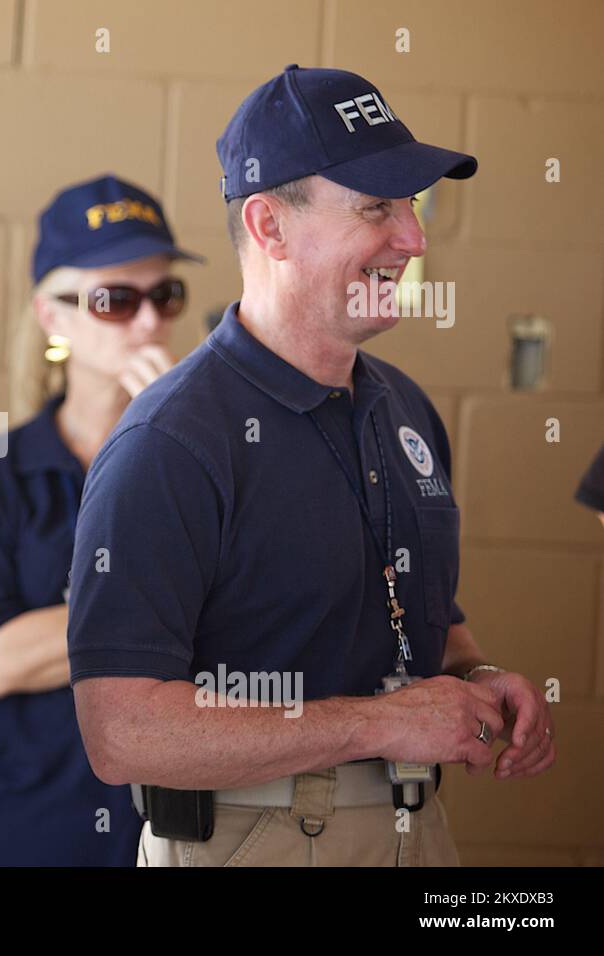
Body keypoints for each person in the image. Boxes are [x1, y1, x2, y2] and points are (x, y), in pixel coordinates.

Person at [68, 64, 556, 867]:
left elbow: (417, 621)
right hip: (254, 839)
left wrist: (480, 674)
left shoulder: (404, 408)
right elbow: (123, 734)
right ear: (269, 227)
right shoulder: (170, 441)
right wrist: (376, 725)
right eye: (376, 208)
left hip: (418, 828)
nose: (414, 238)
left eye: (412, 206)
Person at [0, 174, 201, 865]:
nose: (150, 321)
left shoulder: (209, 462)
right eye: (115, 300)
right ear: (54, 315)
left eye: (165, 295)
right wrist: (168, 612)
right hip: (37, 821)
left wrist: (173, 446)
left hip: (188, 822)